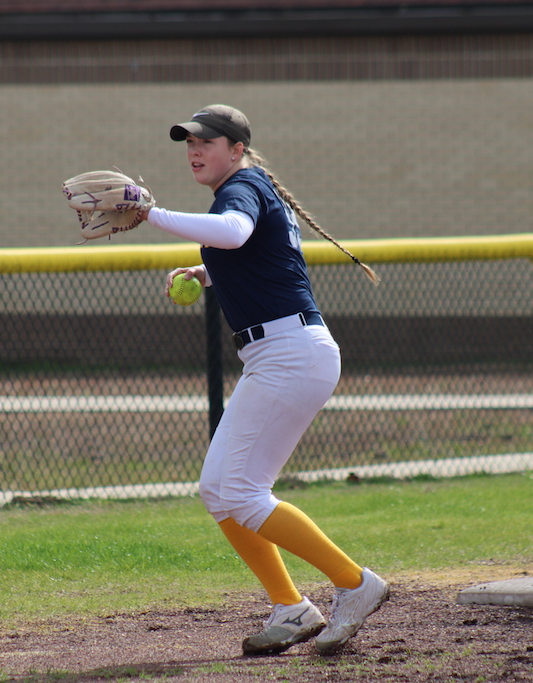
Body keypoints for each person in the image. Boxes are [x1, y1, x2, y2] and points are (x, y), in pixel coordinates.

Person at [135, 104, 388, 656]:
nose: (194, 150)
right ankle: (290, 606)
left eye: (206, 141)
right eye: (189, 143)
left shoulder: (242, 186)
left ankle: (355, 583)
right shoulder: (247, 188)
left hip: (289, 354)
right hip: (283, 353)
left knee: (242, 492)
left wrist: (151, 214)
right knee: (220, 491)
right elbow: (255, 251)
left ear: (237, 150)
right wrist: (207, 273)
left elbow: (234, 232)